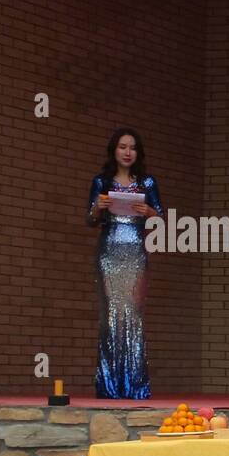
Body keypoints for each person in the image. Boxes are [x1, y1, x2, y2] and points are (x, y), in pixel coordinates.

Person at [87, 127, 163, 399]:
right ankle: (110, 384)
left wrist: (149, 211)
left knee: (133, 312)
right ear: (114, 151)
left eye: (132, 147)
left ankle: (135, 384)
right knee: (111, 314)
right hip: (109, 251)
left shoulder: (147, 182)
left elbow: (161, 217)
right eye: (122, 147)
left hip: (135, 252)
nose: (127, 152)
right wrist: (99, 206)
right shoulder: (101, 182)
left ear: (137, 153)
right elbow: (90, 218)